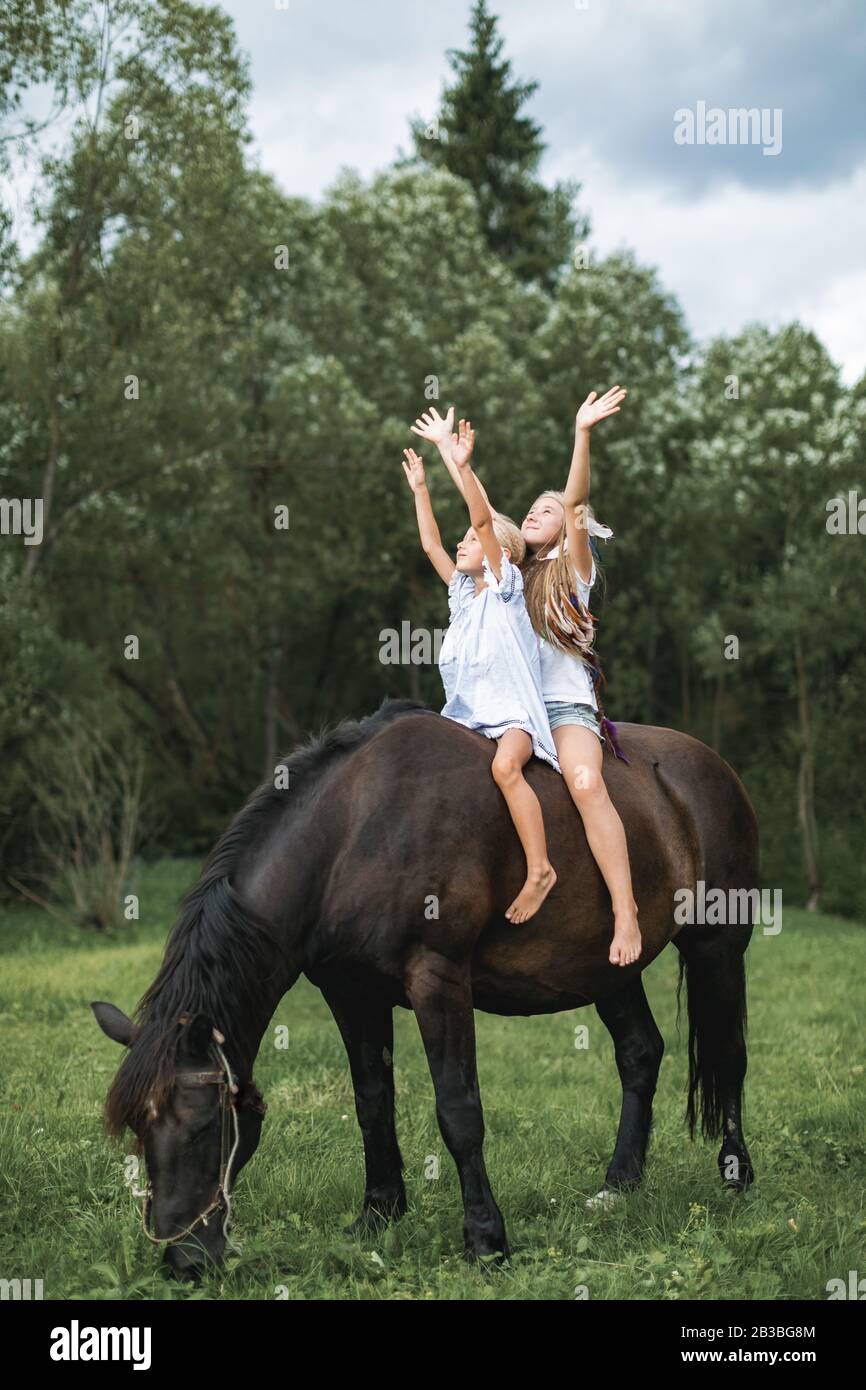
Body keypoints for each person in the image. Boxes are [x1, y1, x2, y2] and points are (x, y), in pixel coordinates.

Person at [411, 389, 641, 965]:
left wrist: (582, 432)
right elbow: (476, 517)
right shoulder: (502, 581)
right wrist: (449, 456)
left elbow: (569, 502)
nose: (539, 510)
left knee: (586, 785)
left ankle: (625, 909)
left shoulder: (575, 566)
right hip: (499, 705)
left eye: (549, 508)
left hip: (559, 709)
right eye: (534, 507)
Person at [401, 420, 559, 923]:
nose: (462, 543)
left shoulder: (507, 590)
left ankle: (540, 871)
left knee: (504, 769)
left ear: (503, 557)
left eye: (470, 539)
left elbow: (486, 524)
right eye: (462, 539)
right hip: (466, 720)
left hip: (512, 718)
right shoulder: (463, 599)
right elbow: (430, 546)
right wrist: (422, 490)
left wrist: (463, 469)